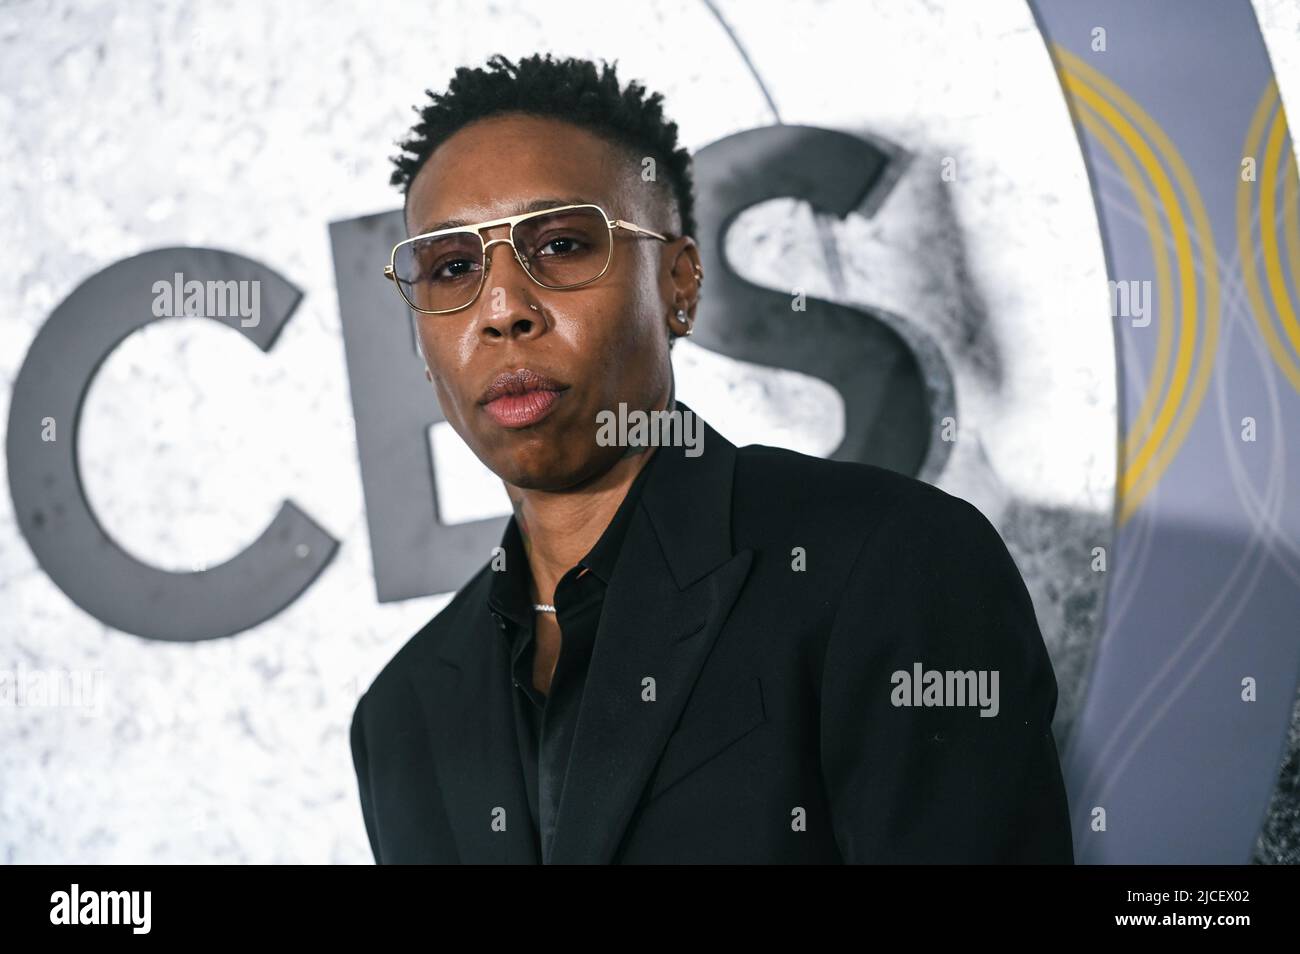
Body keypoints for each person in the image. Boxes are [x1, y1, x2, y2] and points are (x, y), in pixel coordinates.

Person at [348, 52, 1074, 864]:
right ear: (420, 339)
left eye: (559, 246)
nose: (505, 308)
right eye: (452, 267)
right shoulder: (400, 716)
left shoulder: (890, 561)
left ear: (680, 285)